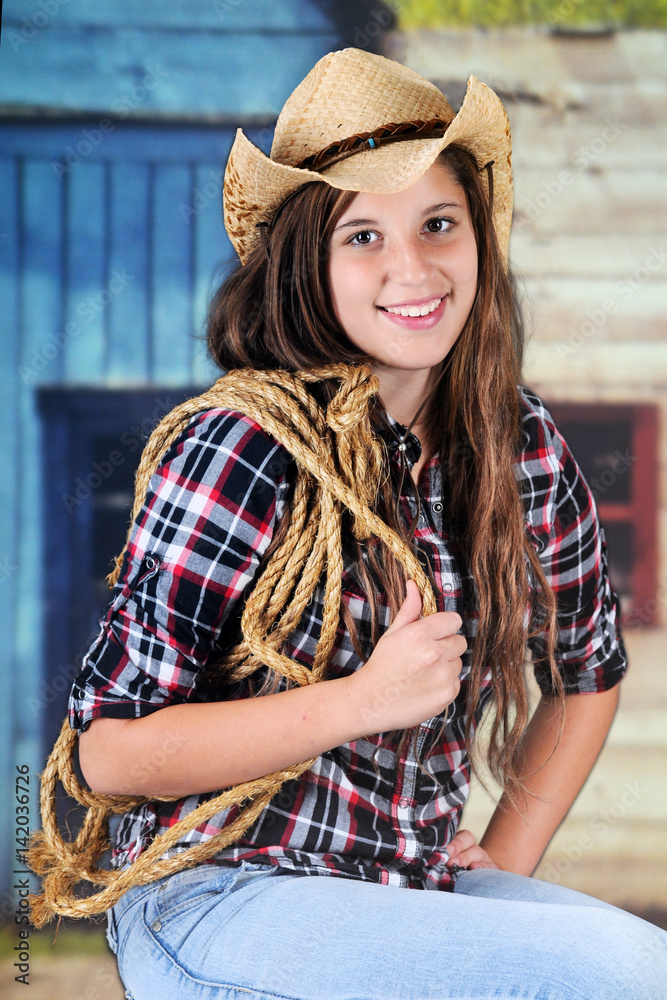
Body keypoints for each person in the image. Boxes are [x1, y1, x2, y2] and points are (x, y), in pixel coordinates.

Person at [66, 48, 666, 999]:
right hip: (219, 894)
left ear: (478, 237)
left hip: (405, 886)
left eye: (438, 224)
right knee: (614, 975)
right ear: (307, 260)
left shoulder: (518, 447)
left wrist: (501, 855)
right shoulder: (244, 446)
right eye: (362, 237)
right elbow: (108, 754)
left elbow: (587, 672)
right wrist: (362, 702)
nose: (413, 268)